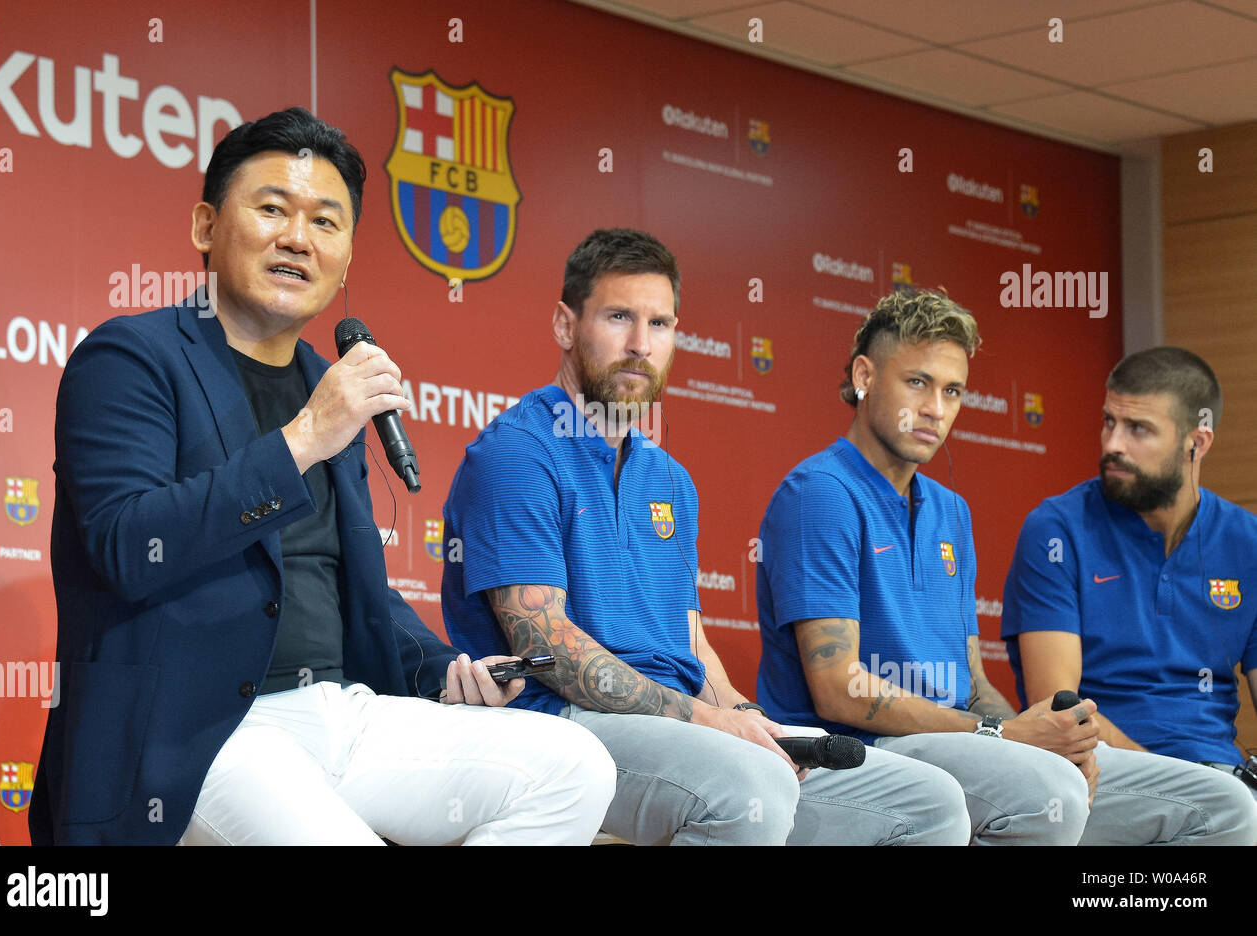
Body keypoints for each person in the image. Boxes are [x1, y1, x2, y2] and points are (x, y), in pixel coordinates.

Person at [30, 107, 615, 846]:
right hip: (198, 729)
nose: (297, 238)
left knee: (574, 768)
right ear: (206, 227)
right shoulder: (130, 359)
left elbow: (353, 589)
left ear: (346, 255)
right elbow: (126, 545)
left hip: (341, 713)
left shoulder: (323, 379)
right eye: (272, 208)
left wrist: (447, 670)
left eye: (325, 222)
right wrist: (305, 436)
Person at [442, 228, 972, 846]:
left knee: (930, 801)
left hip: (685, 727)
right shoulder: (516, 453)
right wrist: (708, 720)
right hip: (562, 724)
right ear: (565, 324)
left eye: (660, 324)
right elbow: (552, 651)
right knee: (746, 789)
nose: (641, 345)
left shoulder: (670, 477)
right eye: (619, 317)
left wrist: (747, 717)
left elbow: (689, 639)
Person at [755, 289, 1256, 844]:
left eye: (953, 391)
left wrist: (1054, 738)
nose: (936, 409)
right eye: (917, 382)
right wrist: (1002, 733)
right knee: (1047, 792)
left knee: (1225, 804)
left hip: (957, 745)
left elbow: (971, 686)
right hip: (851, 751)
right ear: (866, 376)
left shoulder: (950, 511)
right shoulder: (820, 492)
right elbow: (838, 688)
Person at [1002, 346, 1257, 811]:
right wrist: (1179, 788)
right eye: (1108, 422)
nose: (1112, 443)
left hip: (1220, 774)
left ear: (1196, 443)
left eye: (1138, 429)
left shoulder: (1247, 541)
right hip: (1096, 767)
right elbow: (1059, 708)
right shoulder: (1057, 528)